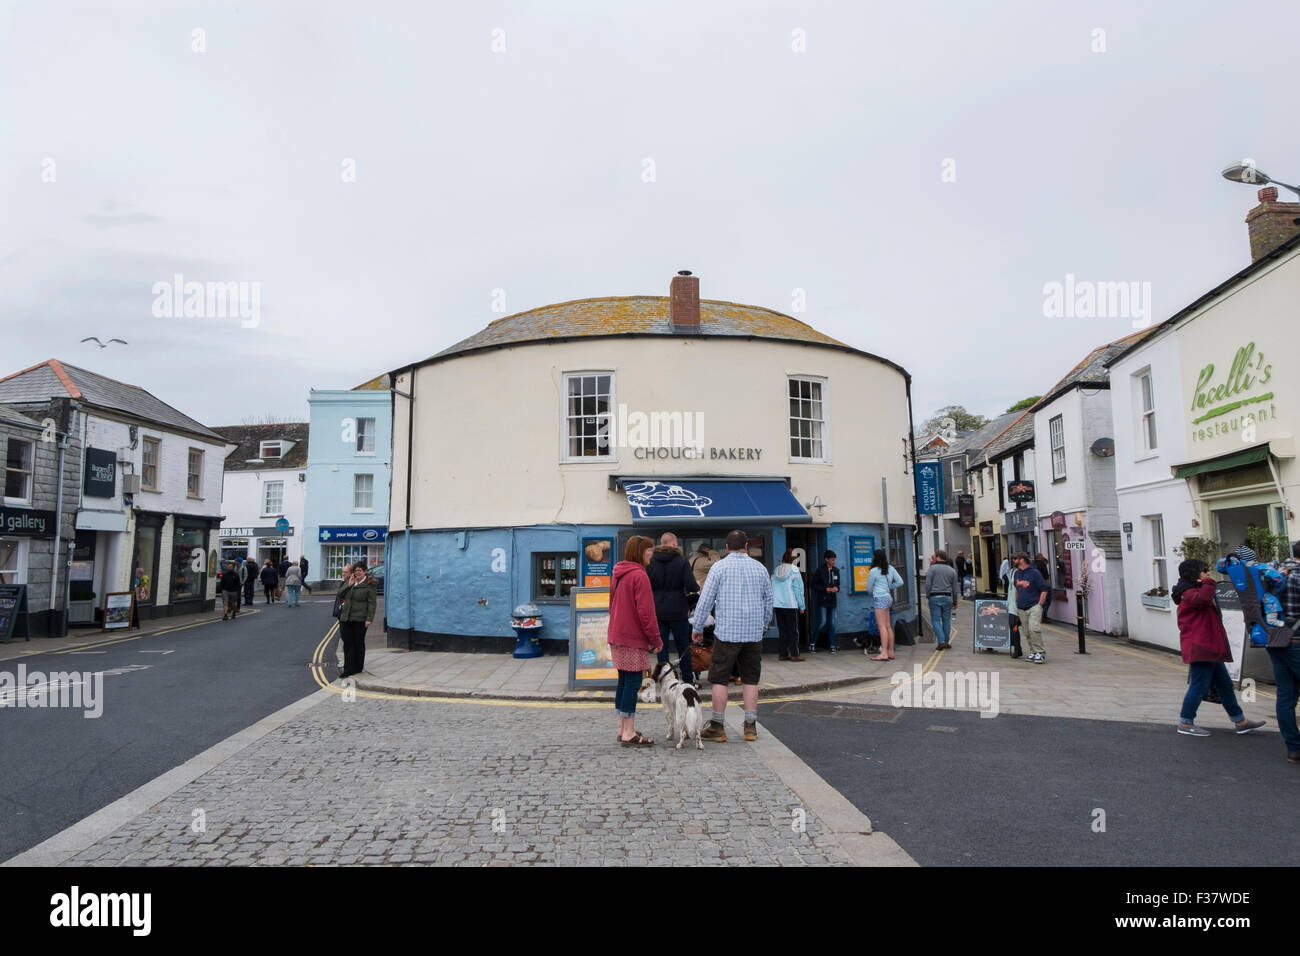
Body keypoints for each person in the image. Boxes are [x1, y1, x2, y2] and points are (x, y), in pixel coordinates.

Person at [691, 530, 773, 743]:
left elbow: (706, 601)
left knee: (719, 679)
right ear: (746, 546)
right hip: (753, 634)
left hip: (727, 633)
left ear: (726, 547)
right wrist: (763, 626)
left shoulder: (719, 568)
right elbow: (768, 602)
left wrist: (697, 627)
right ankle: (750, 727)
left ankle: (718, 727)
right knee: (750, 679)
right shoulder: (760, 569)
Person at [1172, 559, 1265, 737]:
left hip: (1209, 647)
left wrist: (1206, 583)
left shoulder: (1193, 591)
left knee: (1225, 686)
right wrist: (1209, 582)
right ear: (1193, 574)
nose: (1207, 573)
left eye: (1207, 571)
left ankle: (1240, 722)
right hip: (1201, 647)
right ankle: (1185, 722)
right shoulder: (1188, 593)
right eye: (1203, 571)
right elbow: (1203, 599)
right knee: (1199, 686)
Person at [607, 536, 663, 746]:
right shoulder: (639, 576)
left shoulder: (619, 574)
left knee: (623, 681)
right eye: (648, 550)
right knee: (632, 682)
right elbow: (646, 613)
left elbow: (611, 605)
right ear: (640, 552)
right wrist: (656, 639)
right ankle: (629, 732)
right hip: (632, 638)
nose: (651, 553)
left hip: (617, 635)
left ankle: (623, 728)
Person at [647, 532, 700, 686]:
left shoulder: (651, 562)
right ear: (674, 544)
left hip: (658, 609)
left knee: (661, 646)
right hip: (678, 609)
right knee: (683, 645)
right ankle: (688, 680)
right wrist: (696, 585)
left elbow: (647, 584)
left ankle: (665, 680)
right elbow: (691, 586)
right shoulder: (682, 562)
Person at [1274, 541, 1300, 763]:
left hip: (1275, 639)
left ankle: (1293, 748)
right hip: (1297, 640)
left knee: (1285, 696)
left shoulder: (1274, 572)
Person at [336, 561, 378, 678]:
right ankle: (348, 669)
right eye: (355, 570)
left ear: (365, 572)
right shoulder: (350, 582)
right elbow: (339, 594)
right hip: (346, 617)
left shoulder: (370, 585)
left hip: (360, 618)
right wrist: (348, 585)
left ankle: (358, 666)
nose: (357, 572)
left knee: (358, 643)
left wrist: (369, 619)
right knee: (348, 643)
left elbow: (372, 604)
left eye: (359, 570)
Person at [867, 550, 905, 660]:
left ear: (875, 558)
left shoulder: (873, 571)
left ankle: (883, 653)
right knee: (888, 626)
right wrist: (889, 587)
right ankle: (891, 651)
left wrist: (872, 591)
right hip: (888, 598)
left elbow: (869, 588)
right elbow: (900, 582)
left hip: (879, 598)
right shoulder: (891, 568)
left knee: (881, 626)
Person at [1011, 552, 1048, 663]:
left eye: (1015, 558)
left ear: (1022, 559)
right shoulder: (1017, 573)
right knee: (1027, 632)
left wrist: (1040, 604)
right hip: (1021, 607)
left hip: (1034, 606)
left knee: (1034, 629)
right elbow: (1017, 589)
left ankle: (1040, 652)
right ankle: (1033, 652)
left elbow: (1044, 588)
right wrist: (1017, 602)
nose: (1013, 561)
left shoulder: (1034, 573)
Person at [772, 549, 806, 662]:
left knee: (782, 630)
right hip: (790, 604)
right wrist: (802, 606)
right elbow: (798, 589)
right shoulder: (795, 570)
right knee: (793, 630)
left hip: (777, 604)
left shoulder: (776, 569)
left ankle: (783, 654)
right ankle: (795, 654)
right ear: (793, 559)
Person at [925, 550, 960, 650]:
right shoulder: (951, 570)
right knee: (946, 620)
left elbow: (928, 584)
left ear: (938, 557)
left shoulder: (932, 569)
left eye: (935, 556)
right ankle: (946, 641)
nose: (934, 558)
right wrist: (955, 601)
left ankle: (941, 641)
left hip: (934, 597)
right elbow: (955, 588)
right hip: (947, 597)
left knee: (935, 620)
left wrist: (928, 594)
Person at [809, 550, 840, 653]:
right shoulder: (820, 570)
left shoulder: (836, 570)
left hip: (832, 600)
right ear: (826, 559)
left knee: (832, 623)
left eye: (834, 560)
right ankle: (812, 643)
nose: (834, 562)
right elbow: (813, 584)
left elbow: (838, 584)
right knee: (822, 622)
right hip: (823, 599)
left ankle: (832, 645)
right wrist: (824, 589)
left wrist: (836, 588)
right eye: (832, 560)